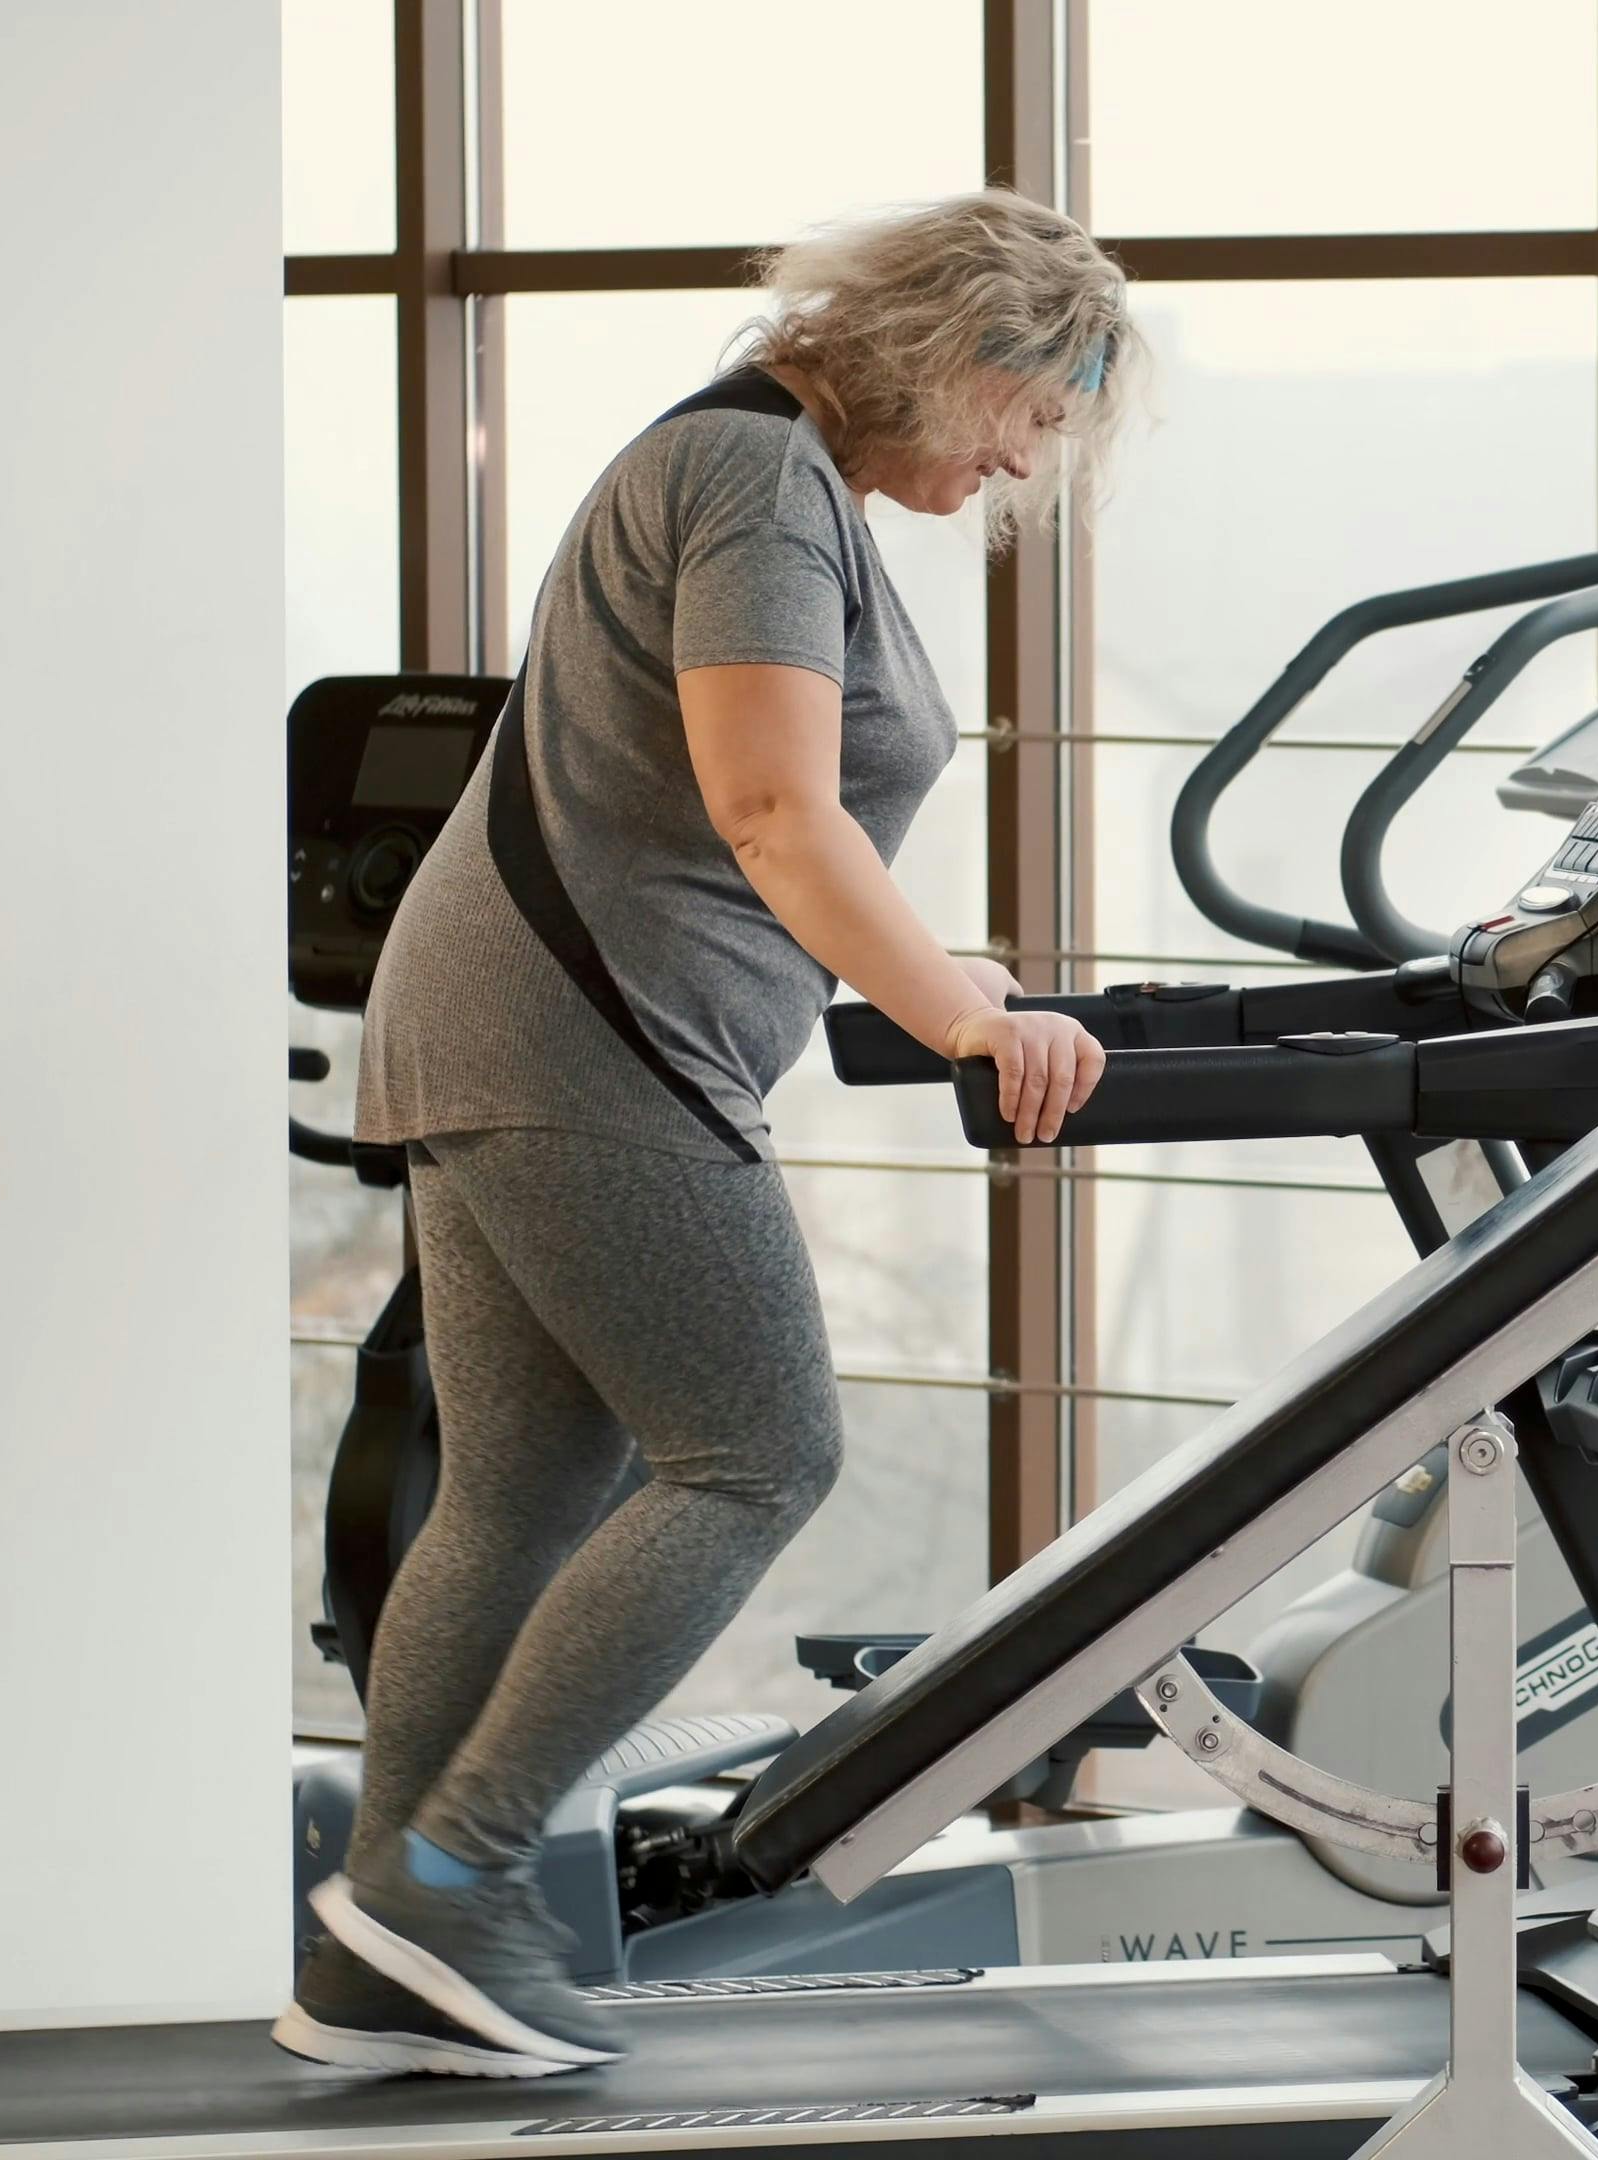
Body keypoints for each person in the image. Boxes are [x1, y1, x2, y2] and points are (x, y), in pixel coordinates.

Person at [276, 190, 1138, 2078]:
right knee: (758, 1455)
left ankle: (377, 1956)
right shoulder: (757, 482)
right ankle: (450, 1876)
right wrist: (965, 1018)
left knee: (521, 1486)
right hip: (589, 1035)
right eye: (1036, 402)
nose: (1028, 456)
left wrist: (946, 970)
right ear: (951, 340)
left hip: (509, 1014)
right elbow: (768, 809)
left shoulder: (747, 461)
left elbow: (715, 822)